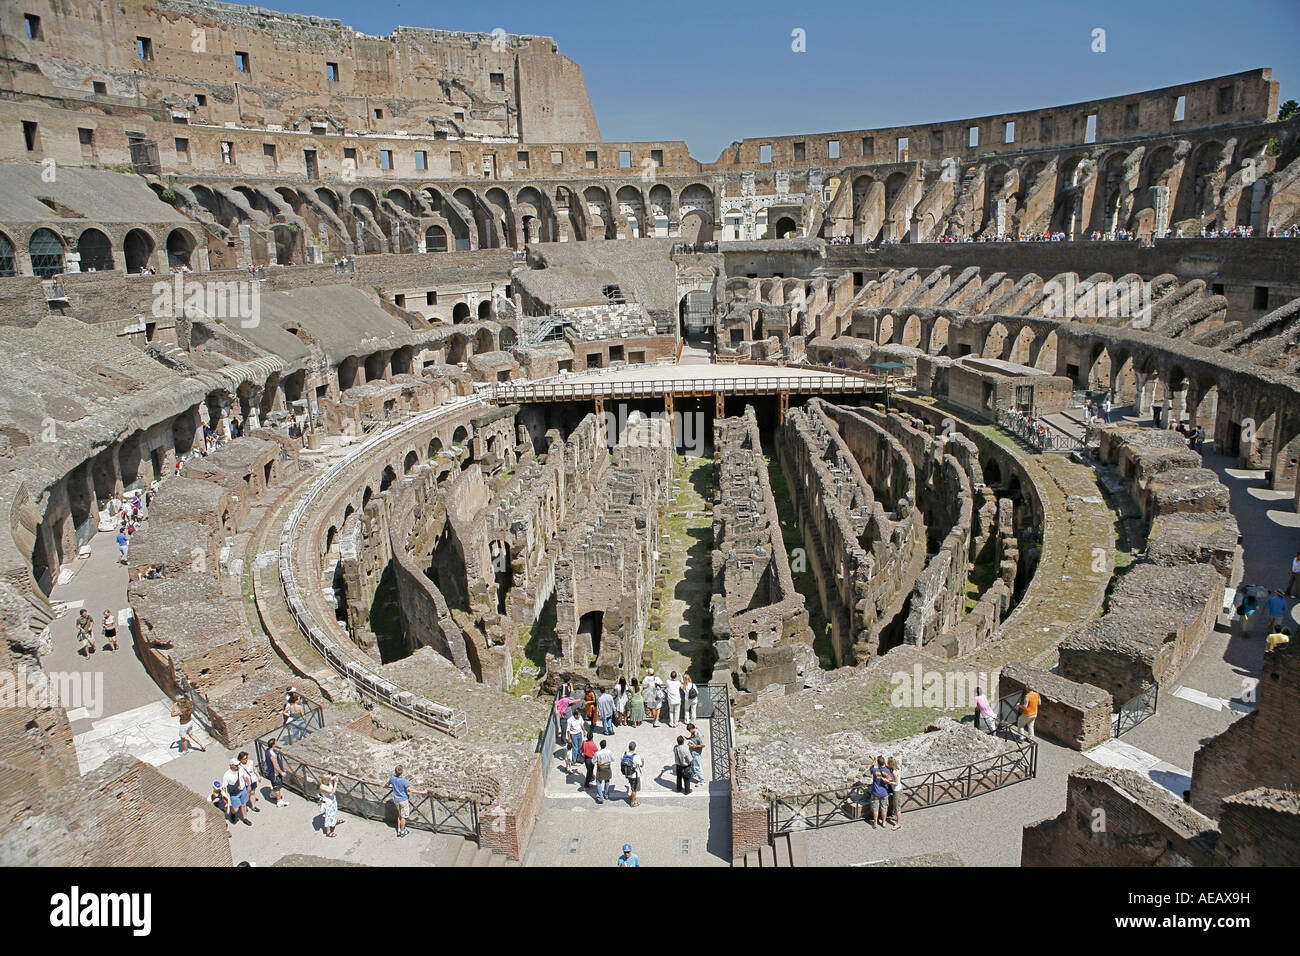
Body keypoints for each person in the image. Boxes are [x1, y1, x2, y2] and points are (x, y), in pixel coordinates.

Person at [223, 758, 252, 826]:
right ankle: (232, 813)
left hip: (243, 789)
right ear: (231, 765)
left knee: (243, 804)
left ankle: (245, 818)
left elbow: (245, 777)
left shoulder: (240, 769)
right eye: (236, 765)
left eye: (238, 764)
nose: (238, 766)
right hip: (234, 793)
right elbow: (224, 787)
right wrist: (224, 797)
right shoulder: (227, 775)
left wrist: (248, 785)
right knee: (236, 809)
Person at [388, 765, 412, 838]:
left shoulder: (392, 778)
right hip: (403, 800)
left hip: (396, 800)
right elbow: (410, 789)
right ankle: (402, 831)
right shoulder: (404, 781)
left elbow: (387, 784)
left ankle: (399, 830)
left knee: (399, 815)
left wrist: (382, 786)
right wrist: (422, 792)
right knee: (403, 817)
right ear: (402, 772)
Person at [263, 737, 289, 806]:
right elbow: (275, 765)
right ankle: (279, 801)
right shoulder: (272, 755)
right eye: (275, 742)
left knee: (275, 786)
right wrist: (281, 772)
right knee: (277, 787)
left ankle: (273, 794)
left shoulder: (267, 751)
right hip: (274, 774)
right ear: (273, 744)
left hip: (271, 772)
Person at [868, 755, 891, 829]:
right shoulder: (887, 771)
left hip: (875, 792)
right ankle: (883, 822)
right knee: (884, 808)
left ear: (878, 763)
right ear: (884, 762)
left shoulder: (875, 770)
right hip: (884, 792)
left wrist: (874, 760)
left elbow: (870, 767)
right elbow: (890, 768)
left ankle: (875, 823)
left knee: (875, 808)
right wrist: (885, 763)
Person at [622, 742, 644, 807]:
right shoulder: (636, 756)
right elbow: (641, 765)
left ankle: (632, 797)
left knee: (631, 785)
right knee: (634, 789)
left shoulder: (624, 754)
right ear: (634, 748)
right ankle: (633, 803)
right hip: (634, 775)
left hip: (627, 774)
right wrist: (643, 761)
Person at [594, 739, 614, 803]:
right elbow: (613, 759)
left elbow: (593, 761)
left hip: (600, 769)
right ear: (605, 745)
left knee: (598, 782)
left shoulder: (597, 753)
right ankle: (606, 795)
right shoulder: (609, 752)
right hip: (607, 768)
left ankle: (600, 797)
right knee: (607, 781)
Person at [566, 706, 585, 774]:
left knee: (580, 746)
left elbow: (582, 724)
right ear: (575, 715)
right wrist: (569, 738)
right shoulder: (570, 720)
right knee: (575, 748)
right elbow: (568, 730)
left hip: (579, 733)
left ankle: (579, 758)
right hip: (573, 735)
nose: (580, 716)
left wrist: (584, 732)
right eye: (579, 715)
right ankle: (574, 761)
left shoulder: (580, 718)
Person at [886, 757, 903, 830]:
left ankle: (898, 824)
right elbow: (886, 765)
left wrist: (888, 782)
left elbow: (896, 783)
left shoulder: (894, 772)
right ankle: (896, 817)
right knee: (895, 805)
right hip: (897, 789)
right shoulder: (897, 768)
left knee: (897, 808)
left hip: (897, 790)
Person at [318, 773, 338, 837]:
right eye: (328, 779)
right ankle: (328, 832)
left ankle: (334, 821)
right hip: (328, 803)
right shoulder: (322, 786)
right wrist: (336, 783)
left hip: (332, 801)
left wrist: (336, 776)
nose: (329, 780)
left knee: (334, 812)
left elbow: (332, 778)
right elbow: (332, 791)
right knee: (328, 816)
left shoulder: (327, 781)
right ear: (325, 780)